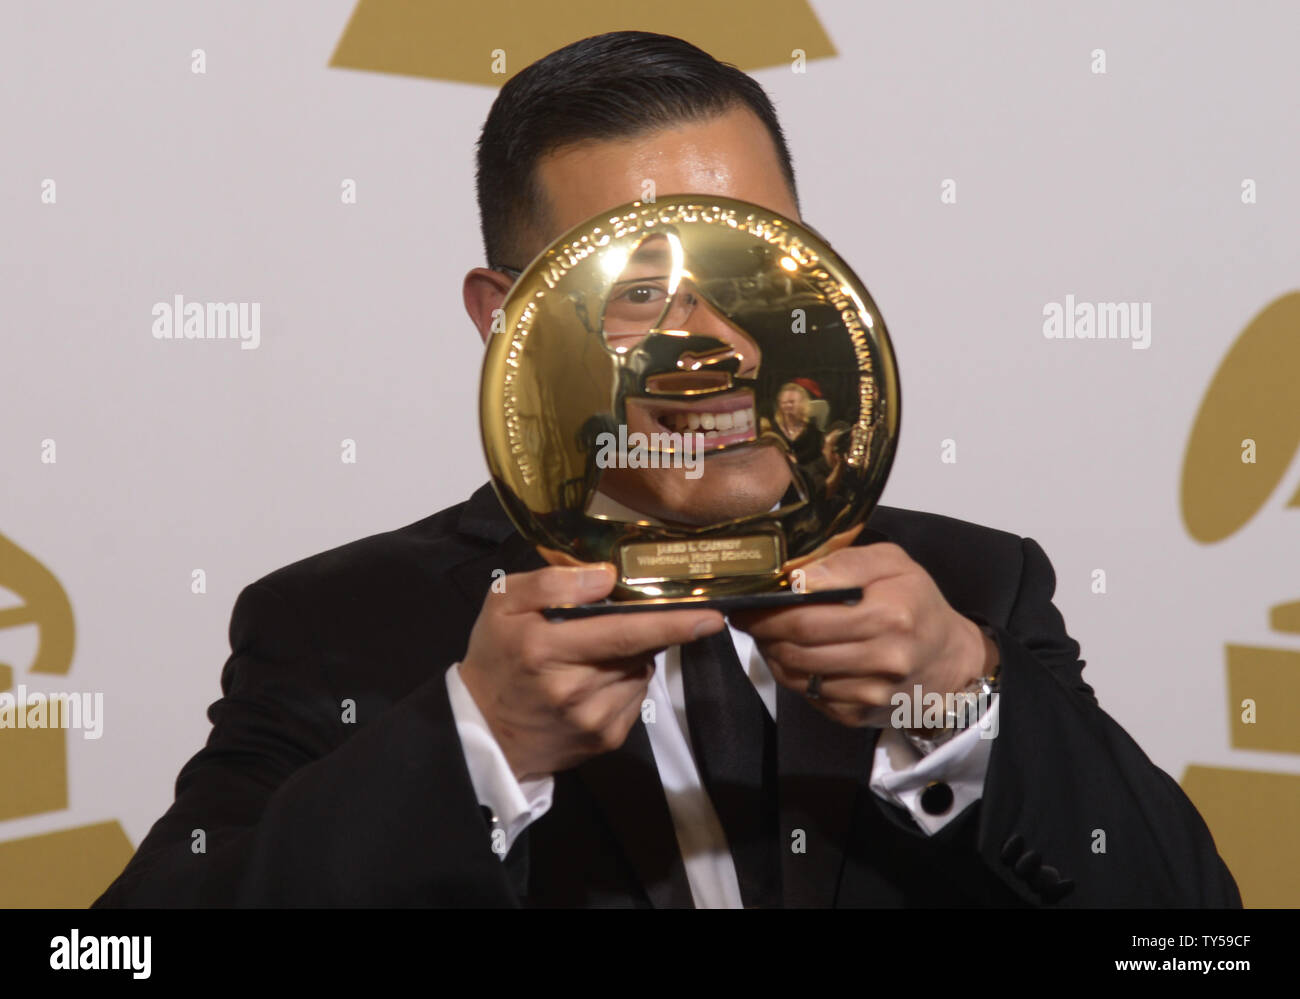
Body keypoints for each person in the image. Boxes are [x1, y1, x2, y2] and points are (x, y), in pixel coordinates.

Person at [94, 31, 1240, 908]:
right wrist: (473, 745)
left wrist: (965, 705)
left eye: (754, 268)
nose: (722, 348)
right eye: (637, 291)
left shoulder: (971, 591)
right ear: (509, 320)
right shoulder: (339, 625)